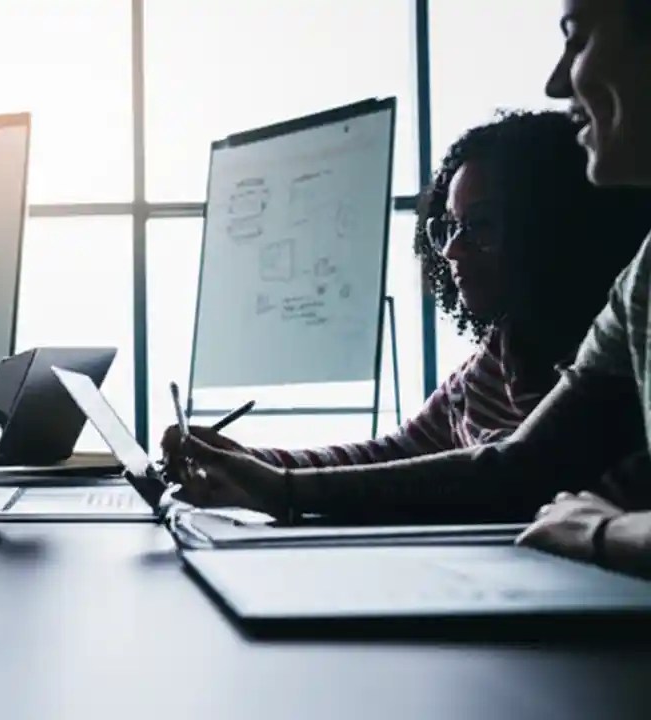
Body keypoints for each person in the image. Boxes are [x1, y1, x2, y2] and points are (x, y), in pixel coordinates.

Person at [165, 0, 651, 577]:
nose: (555, 81)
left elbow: (520, 478)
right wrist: (267, 476)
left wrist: (603, 533)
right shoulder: (634, 283)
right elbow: (521, 466)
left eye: (577, 39)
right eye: (450, 228)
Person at [165, 110, 651, 472]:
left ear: (548, 228)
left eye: (480, 226)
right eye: (448, 228)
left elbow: (509, 474)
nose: (453, 252)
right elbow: (396, 452)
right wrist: (251, 462)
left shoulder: (609, 357)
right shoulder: (498, 355)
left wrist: (275, 485)